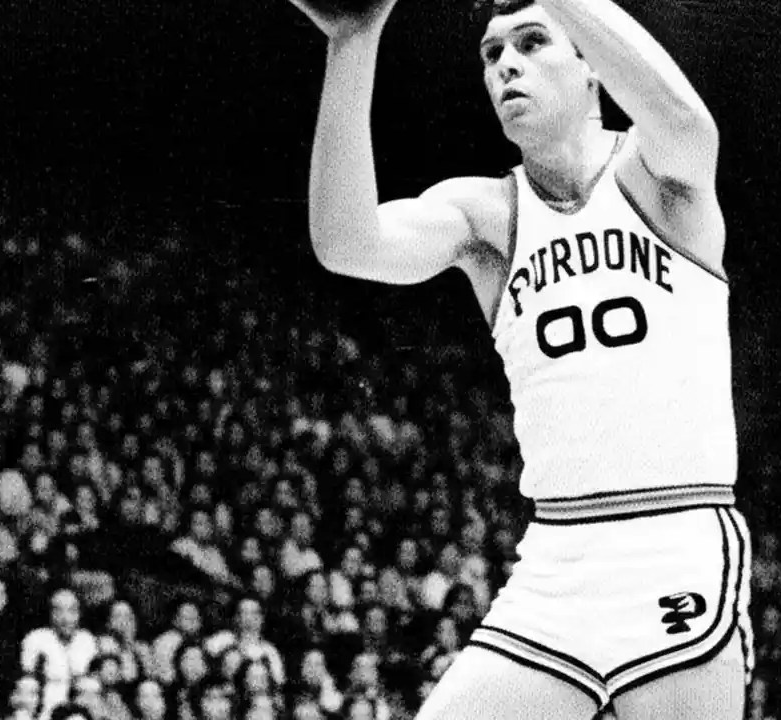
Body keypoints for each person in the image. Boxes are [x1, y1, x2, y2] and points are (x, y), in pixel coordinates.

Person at [286, 0, 750, 717]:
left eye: (533, 43)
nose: (506, 63)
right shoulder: (487, 214)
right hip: (556, 565)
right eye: (491, 51)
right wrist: (354, 41)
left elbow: (687, 119)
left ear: (593, 65)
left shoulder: (660, 175)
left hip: (674, 541)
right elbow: (348, 244)